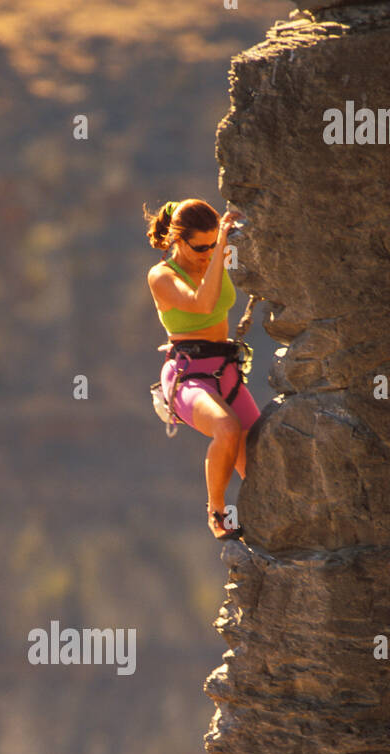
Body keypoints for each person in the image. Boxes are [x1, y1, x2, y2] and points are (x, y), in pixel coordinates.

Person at [144, 197, 261, 540]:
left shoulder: (218, 252)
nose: (209, 252)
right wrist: (223, 244)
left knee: (260, 470)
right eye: (201, 246)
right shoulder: (161, 276)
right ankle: (217, 512)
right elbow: (202, 303)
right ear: (177, 241)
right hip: (188, 375)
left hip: (224, 368)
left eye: (213, 243)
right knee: (226, 427)